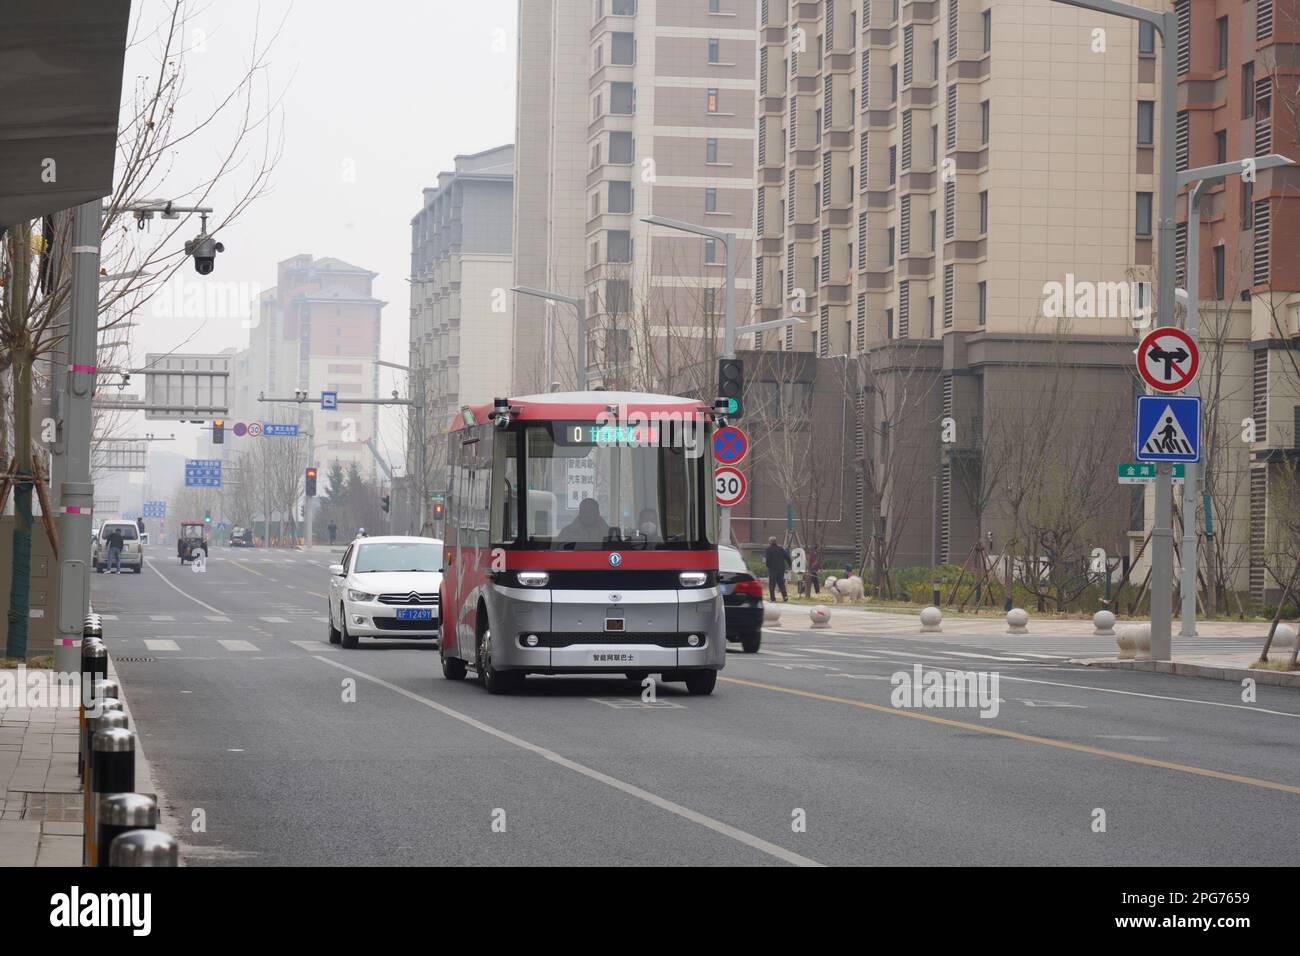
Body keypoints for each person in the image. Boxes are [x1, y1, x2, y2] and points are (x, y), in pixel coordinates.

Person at [764, 536, 792, 602]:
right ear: (776, 542)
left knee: (772, 584)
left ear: (770, 542)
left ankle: (772, 598)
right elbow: (787, 557)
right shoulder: (781, 549)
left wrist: (768, 566)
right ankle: (785, 597)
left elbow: (767, 560)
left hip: (772, 569)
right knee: (781, 583)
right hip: (781, 569)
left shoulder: (768, 550)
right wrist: (790, 565)